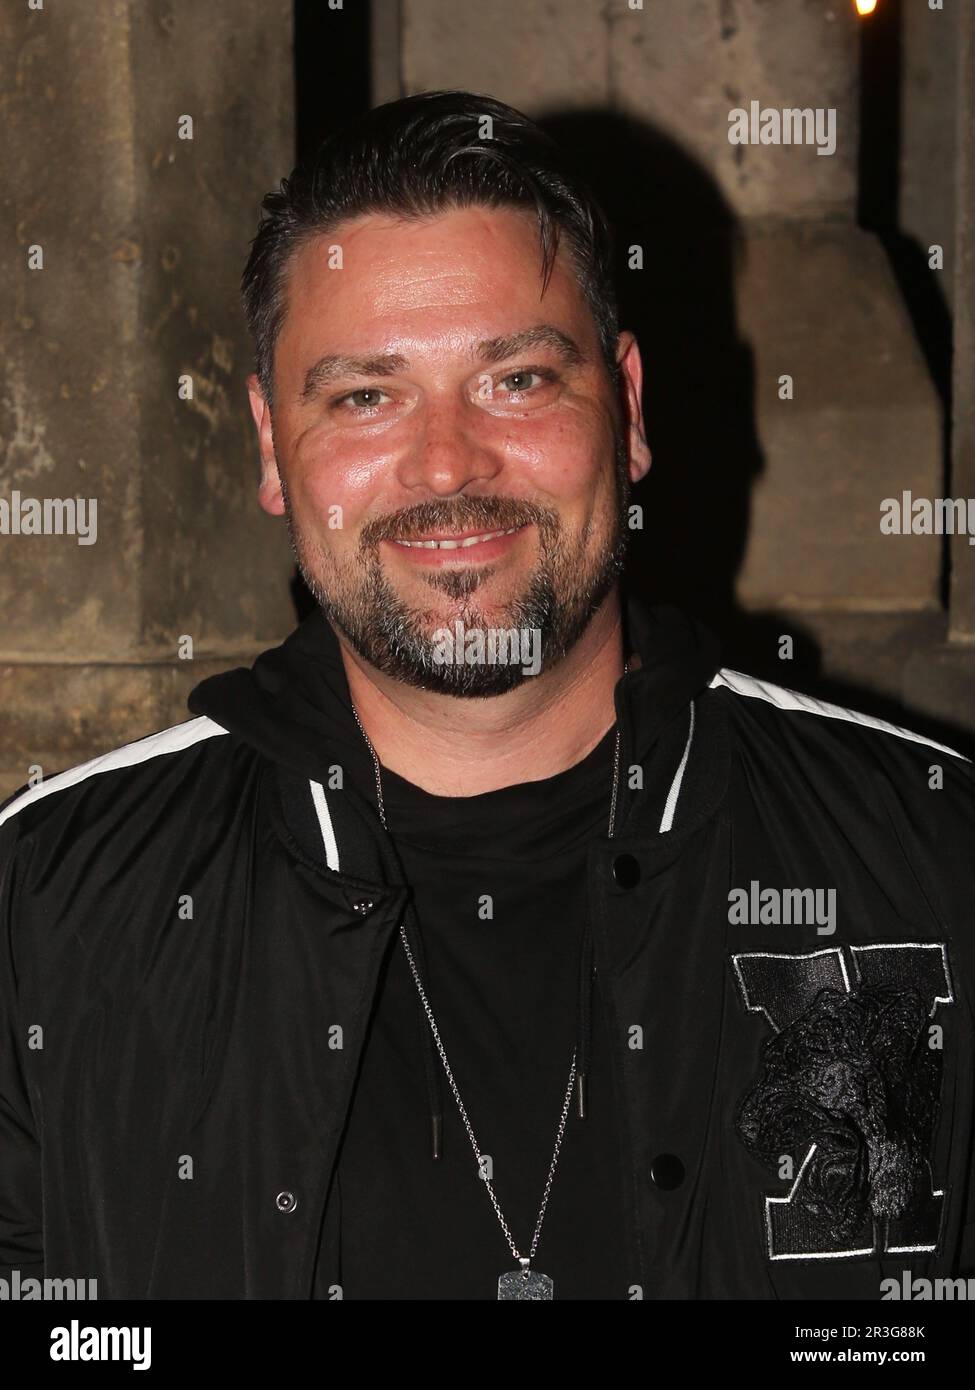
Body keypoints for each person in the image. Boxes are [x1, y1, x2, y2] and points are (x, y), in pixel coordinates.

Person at [1, 90, 973, 1302]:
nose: (449, 463)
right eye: (365, 395)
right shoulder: (48, 901)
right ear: (267, 441)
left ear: (626, 407)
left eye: (516, 378)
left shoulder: (932, 849)